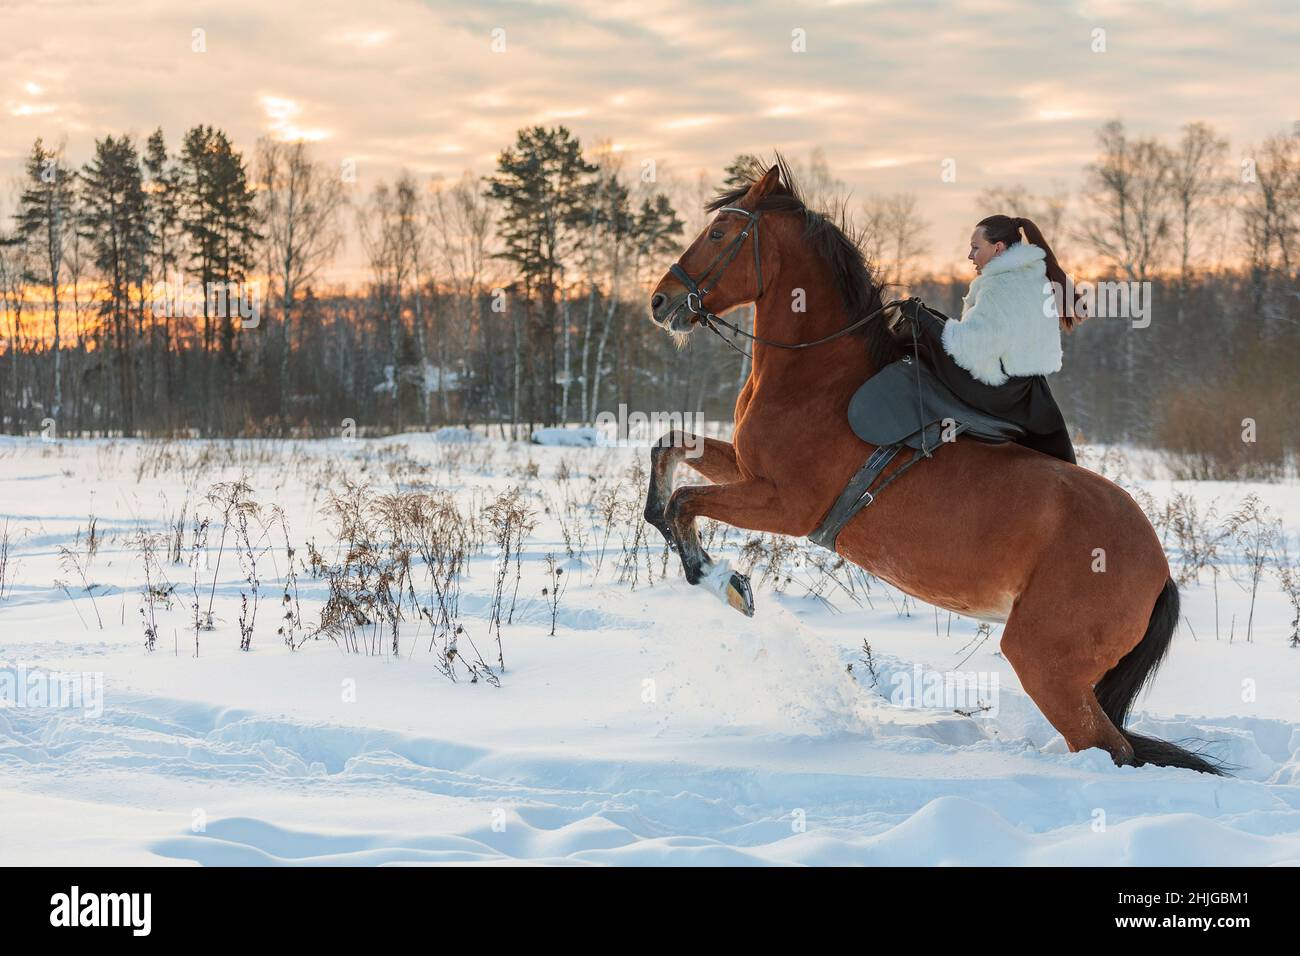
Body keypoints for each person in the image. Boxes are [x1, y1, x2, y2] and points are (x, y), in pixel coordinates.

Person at [896, 214, 1085, 465]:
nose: (970, 256)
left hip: (1004, 390)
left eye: (976, 248)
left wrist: (923, 320)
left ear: (998, 248)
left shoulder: (1002, 285)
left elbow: (972, 346)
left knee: (918, 343)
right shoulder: (1030, 275)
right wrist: (931, 319)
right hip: (1031, 390)